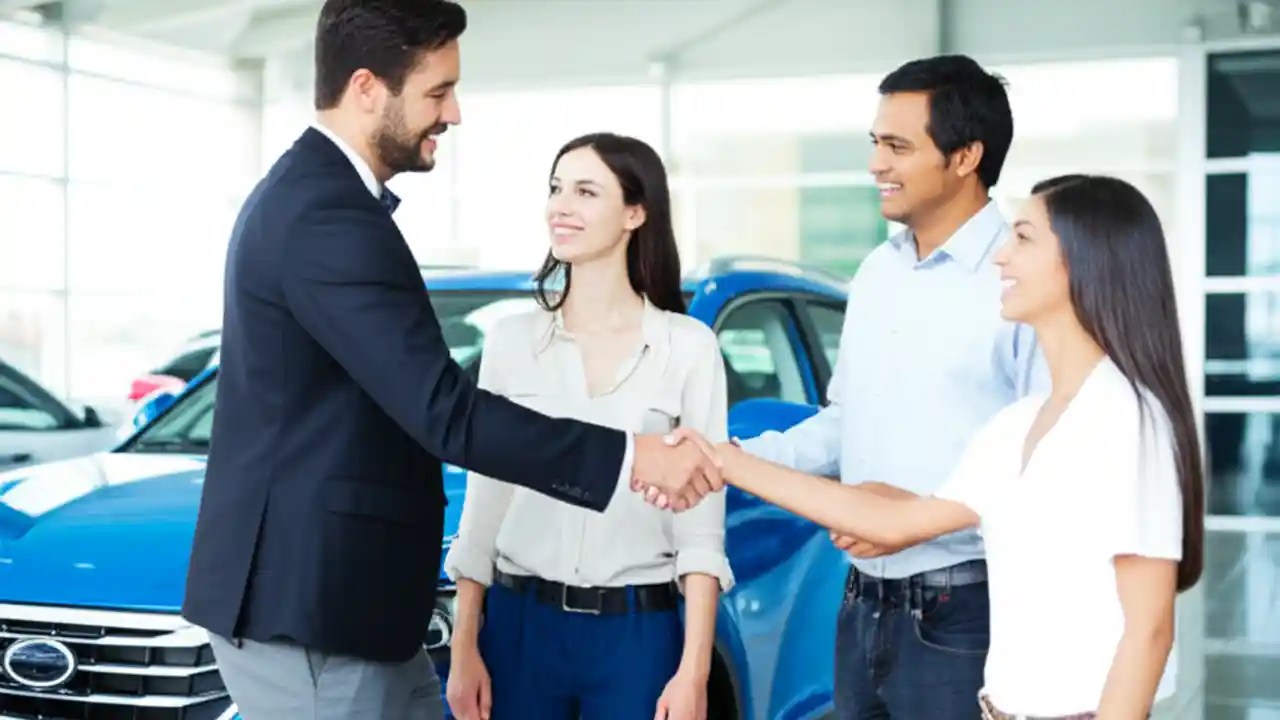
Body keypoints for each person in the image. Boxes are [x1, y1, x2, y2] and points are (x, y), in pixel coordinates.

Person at [180, 3, 722, 719]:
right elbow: (443, 411)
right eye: (438, 92)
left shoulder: (329, 202)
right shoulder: (324, 214)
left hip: (361, 610)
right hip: (312, 607)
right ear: (368, 88)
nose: (455, 113)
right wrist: (633, 458)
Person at [674, 174, 1206, 718]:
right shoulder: (1021, 423)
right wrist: (725, 459)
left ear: (1085, 261)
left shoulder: (1126, 419)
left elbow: (1148, 632)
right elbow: (894, 525)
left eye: (1023, 238)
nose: (1002, 256)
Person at [723, 55, 1048, 718]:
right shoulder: (877, 272)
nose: (876, 164)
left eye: (897, 146)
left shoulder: (1025, 275)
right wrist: (732, 457)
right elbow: (843, 423)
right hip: (862, 601)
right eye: (876, 143)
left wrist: (919, 515)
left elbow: (1047, 468)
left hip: (966, 613)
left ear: (966, 157)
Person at [442, 132, 733, 720]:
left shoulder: (688, 348)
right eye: (555, 189)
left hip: (637, 636)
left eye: (584, 191)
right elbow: (484, 504)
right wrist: (465, 646)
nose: (560, 206)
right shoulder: (512, 343)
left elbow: (701, 531)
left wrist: (693, 672)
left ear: (635, 211)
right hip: (520, 626)